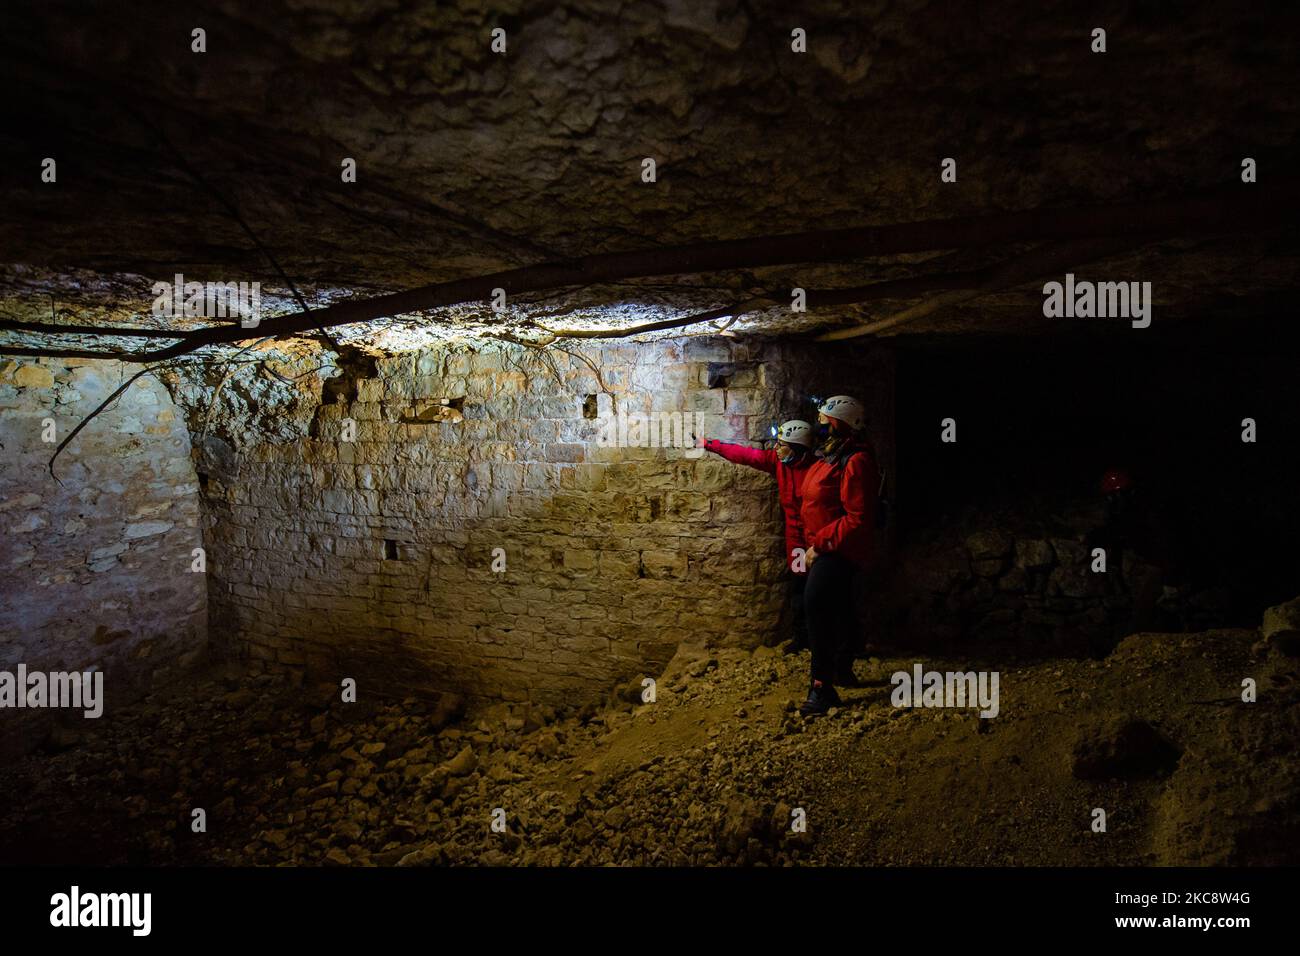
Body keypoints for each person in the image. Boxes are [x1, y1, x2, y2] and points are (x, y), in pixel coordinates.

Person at [797, 395, 881, 716]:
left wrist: (820, 545)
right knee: (841, 607)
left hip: (838, 549)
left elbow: (857, 517)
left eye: (824, 422)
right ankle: (842, 668)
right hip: (827, 545)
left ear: (839, 424)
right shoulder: (831, 455)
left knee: (816, 604)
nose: (820, 427)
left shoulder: (855, 461)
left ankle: (821, 687)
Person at [700, 421, 815, 647]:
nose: (776, 449)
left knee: (823, 590)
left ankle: (836, 642)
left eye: (782, 445)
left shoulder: (818, 469)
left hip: (818, 541)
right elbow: (746, 455)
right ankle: (803, 638)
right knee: (800, 589)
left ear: (798, 448)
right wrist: (709, 445)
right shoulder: (780, 464)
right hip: (798, 543)